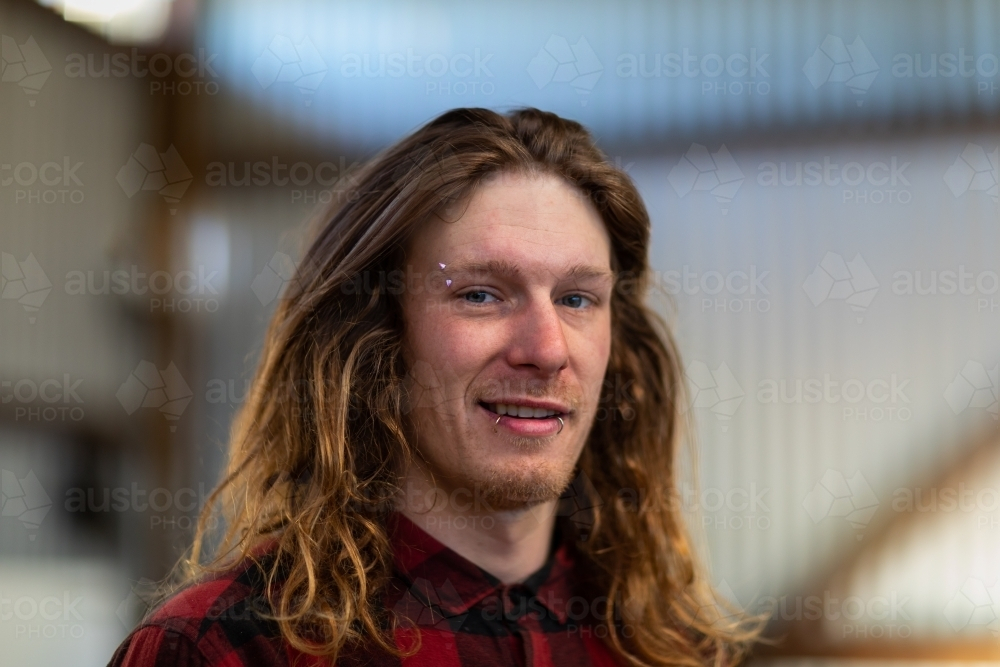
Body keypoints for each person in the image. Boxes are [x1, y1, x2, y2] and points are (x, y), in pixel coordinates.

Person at [107, 107, 759, 667]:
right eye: (481, 294)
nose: (547, 349)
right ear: (375, 336)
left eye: (576, 298)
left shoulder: (674, 650)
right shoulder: (224, 649)